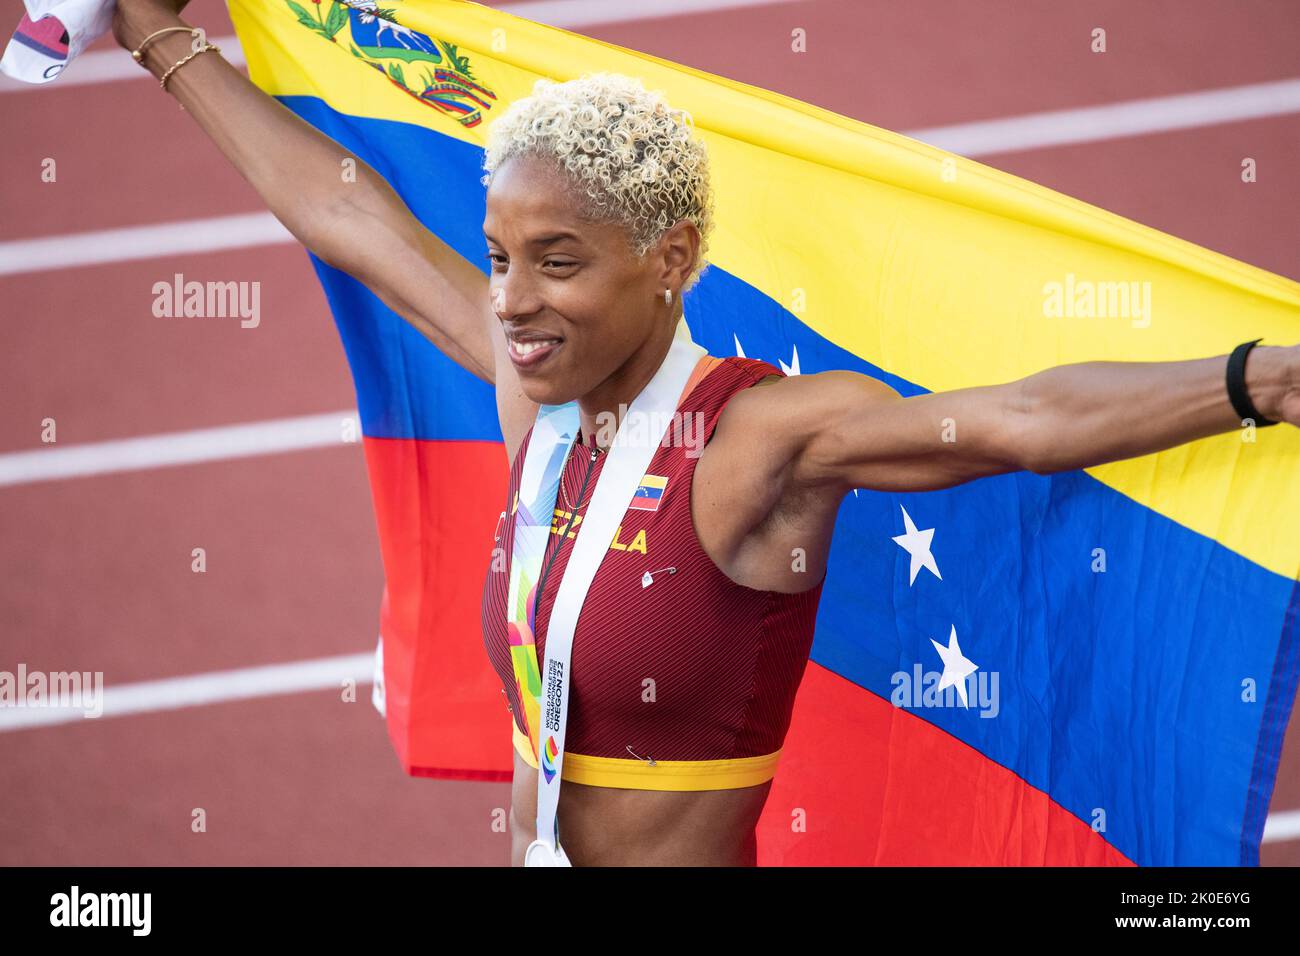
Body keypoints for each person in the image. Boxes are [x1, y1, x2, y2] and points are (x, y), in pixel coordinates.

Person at [112, 0, 1299, 866]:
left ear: (669, 259)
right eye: (499, 258)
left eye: (558, 262)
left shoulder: (764, 441)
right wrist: (159, 40)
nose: (511, 299)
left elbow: (1022, 419)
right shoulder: (537, 393)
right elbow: (346, 215)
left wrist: (1259, 378)